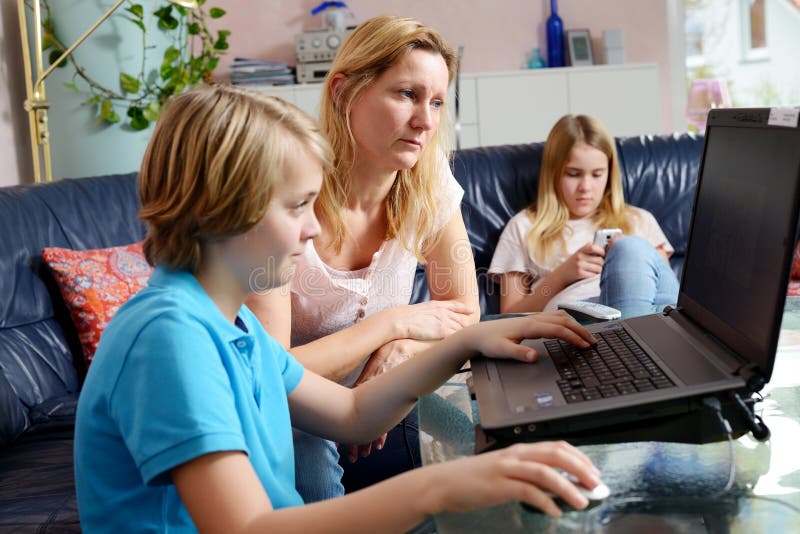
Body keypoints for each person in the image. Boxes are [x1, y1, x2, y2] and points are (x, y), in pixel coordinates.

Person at [73, 85, 603, 532]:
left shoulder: (232, 325)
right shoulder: (169, 336)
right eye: (298, 205)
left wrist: (468, 340)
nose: (314, 228)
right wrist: (437, 487)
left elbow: (352, 414)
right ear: (221, 211)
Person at [246, 15, 479, 501]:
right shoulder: (285, 197)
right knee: (303, 432)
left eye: (437, 101)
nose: (426, 121)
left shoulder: (431, 187)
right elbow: (272, 371)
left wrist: (399, 356)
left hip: (381, 398)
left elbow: (465, 313)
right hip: (292, 407)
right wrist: (391, 326)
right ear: (343, 92)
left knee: (494, 421)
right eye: (406, 95)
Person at [489, 114, 679, 318]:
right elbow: (508, 317)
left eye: (597, 174)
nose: (585, 188)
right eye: (573, 174)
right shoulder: (524, 227)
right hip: (578, 321)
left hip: (644, 314)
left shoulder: (640, 220)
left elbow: (666, 295)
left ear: (610, 173)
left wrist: (625, 261)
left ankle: (635, 338)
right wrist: (562, 275)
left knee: (629, 248)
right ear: (553, 173)